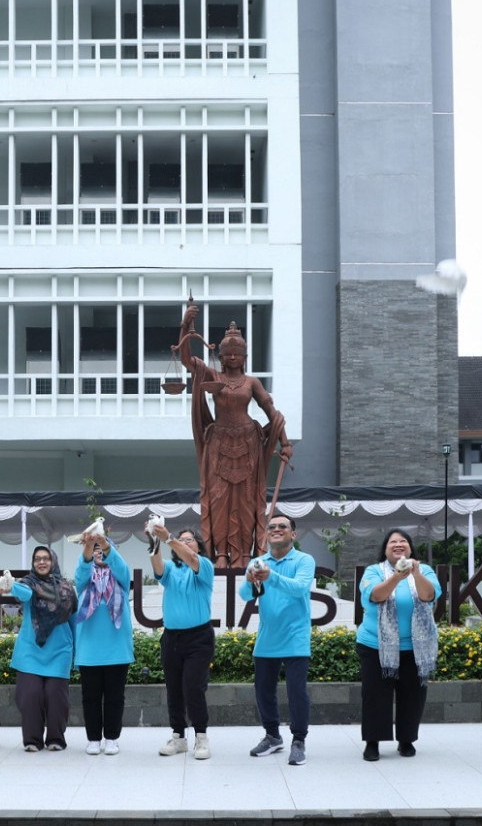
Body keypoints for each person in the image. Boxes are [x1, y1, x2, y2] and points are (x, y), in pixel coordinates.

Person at [179, 304, 292, 569]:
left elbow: (271, 411)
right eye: (227, 353)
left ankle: (242, 554)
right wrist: (185, 327)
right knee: (218, 500)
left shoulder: (252, 382)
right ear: (220, 355)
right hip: (218, 443)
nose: (231, 358)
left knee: (245, 501)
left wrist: (284, 442)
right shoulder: (213, 376)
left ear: (244, 356)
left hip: (248, 444)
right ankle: (219, 554)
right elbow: (186, 360)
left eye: (236, 354)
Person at [356, 529, 440, 761]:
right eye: (393, 541)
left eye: (403, 541)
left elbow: (428, 595)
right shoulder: (373, 571)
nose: (398, 544)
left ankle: (406, 740)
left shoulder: (425, 570)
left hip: (416, 648)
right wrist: (396, 576)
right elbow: (375, 596)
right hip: (376, 646)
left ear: (410, 549)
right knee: (375, 696)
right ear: (385, 549)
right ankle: (372, 742)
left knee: (413, 696)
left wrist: (416, 573)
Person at [239, 513, 315, 766]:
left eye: (283, 526)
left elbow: (300, 588)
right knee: (263, 692)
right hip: (267, 639)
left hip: (295, 637)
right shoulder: (258, 561)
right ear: (266, 534)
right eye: (271, 527)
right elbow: (244, 595)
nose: (276, 529)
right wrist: (251, 579)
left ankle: (298, 741)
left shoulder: (304, 560)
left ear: (293, 534)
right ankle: (272, 736)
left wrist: (271, 576)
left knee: (296, 692)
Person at [0, 545, 77, 752]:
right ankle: (32, 740)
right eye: (37, 559)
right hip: (30, 651)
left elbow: (74, 621)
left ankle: (55, 739)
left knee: (56, 695)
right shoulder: (28, 584)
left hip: (60, 651)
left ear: (54, 561)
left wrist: (77, 654)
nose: (41, 562)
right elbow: (23, 593)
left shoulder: (67, 588)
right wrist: (11, 584)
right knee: (30, 695)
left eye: (46, 558)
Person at [149, 522, 215, 759]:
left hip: (199, 637)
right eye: (182, 539)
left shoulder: (204, 566)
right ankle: (178, 737)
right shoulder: (171, 569)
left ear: (198, 545)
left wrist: (169, 538)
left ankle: (201, 736)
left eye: (190, 539)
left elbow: (192, 560)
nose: (185, 542)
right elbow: (156, 565)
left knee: (193, 687)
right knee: (174, 689)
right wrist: (154, 538)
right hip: (172, 637)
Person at [72, 531, 133, 756]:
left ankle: (112, 738)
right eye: (96, 551)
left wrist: (104, 543)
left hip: (117, 647)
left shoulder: (121, 578)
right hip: (89, 648)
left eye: (104, 550)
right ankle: (93, 739)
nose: (100, 553)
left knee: (115, 697)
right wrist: (89, 544)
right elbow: (82, 568)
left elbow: (120, 566)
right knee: (91, 697)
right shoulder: (85, 580)